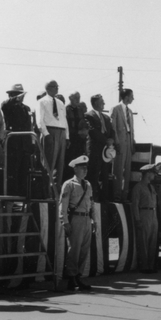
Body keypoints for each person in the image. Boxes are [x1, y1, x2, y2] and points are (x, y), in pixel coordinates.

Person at [59, 155, 96, 291]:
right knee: (74, 249)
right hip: (76, 219)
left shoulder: (88, 185)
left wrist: (94, 220)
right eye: (82, 168)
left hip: (86, 219)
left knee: (84, 250)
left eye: (86, 168)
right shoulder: (69, 184)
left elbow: (91, 204)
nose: (85, 170)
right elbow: (63, 205)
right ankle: (71, 278)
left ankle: (78, 276)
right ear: (75, 169)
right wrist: (65, 222)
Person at [0, 83, 34, 197]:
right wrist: (15, 99)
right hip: (13, 145)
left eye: (21, 94)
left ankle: (22, 196)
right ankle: (11, 197)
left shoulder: (26, 108)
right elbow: (5, 105)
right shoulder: (7, 106)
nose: (20, 97)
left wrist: (31, 144)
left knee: (23, 172)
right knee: (12, 172)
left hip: (25, 145)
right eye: (16, 94)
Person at [36, 79, 69, 194]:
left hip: (61, 133)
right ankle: (47, 192)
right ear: (48, 88)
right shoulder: (42, 102)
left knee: (60, 165)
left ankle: (57, 191)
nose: (57, 88)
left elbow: (64, 120)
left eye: (57, 86)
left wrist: (67, 137)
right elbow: (39, 120)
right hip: (50, 131)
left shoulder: (60, 103)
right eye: (54, 86)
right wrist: (46, 134)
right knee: (49, 164)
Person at [83, 93, 115, 202]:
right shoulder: (88, 116)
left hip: (105, 152)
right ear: (95, 103)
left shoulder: (106, 117)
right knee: (93, 175)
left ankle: (104, 201)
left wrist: (111, 139)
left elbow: (112, 131)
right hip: (95, 150)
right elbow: (92, 131)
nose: (104, 103)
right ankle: (92, 200)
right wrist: (106, 140)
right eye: (102, 102)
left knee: (105, 176)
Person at [131, 163, 159, 273]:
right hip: (144, 214)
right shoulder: (138, 187)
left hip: (153, 214)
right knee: (143, 241)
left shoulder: (151, 187)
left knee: (152, 241)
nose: (154, 175)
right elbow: (135, 205)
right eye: (153, 173)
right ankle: (144, 266)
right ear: (148, 173)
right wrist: (138, 220)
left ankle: (150, 265)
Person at [111, 88, 135, 202]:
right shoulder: (115, 109)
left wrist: (132, 142)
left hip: (129, 142)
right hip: (120, 142)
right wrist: (116, 142)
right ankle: (116, 196)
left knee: (127, 171)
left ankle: (124, 196)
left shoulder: (130, 112)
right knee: (118, 170)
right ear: (126, 97)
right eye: (131, 96)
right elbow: (113, 128)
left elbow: (132, 129)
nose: (133, 98)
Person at [63, 92, 89, 182]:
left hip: (80, 142)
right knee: (69, 164)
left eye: (79, 97)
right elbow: (66, 126)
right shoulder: (66, 109)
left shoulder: (80, 110)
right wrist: (77, 132)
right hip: (70, 142)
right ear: (70, 98)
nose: (78, 99)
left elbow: (83, 123)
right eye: (75, 97)